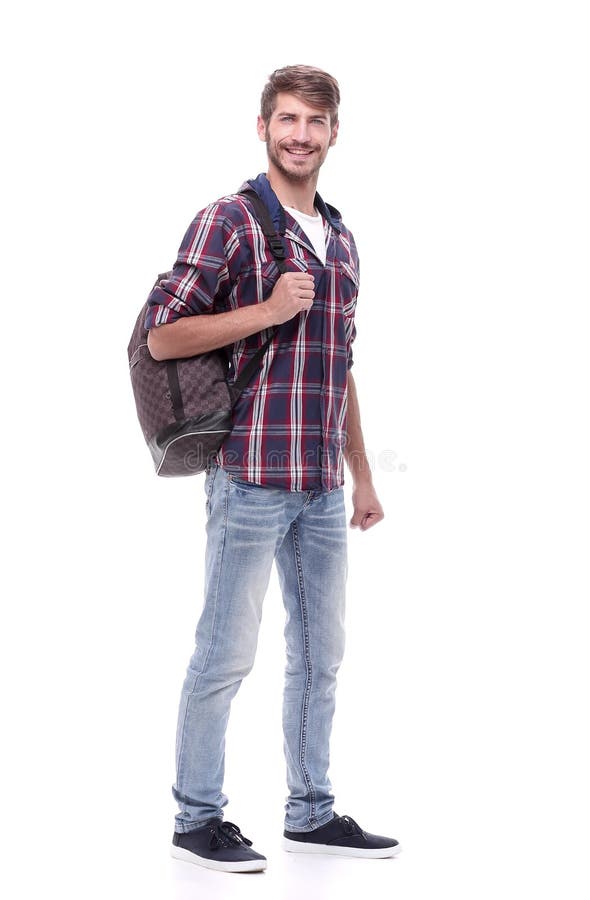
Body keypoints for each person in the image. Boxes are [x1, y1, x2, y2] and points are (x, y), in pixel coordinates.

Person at [145, 64, 401, 873]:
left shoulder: (341, 238)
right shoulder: (229, 220)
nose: (300, 134)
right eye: (287, 119)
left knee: (321, 659)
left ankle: (311, 813)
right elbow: (161, 335)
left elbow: (339, 364)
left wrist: (362, 475)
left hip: (322, 485)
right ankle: (196, 821)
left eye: (315, 122)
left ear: (334, 133)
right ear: (263, 127)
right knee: (225, 655)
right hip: (250, 474)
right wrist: (265, 309)